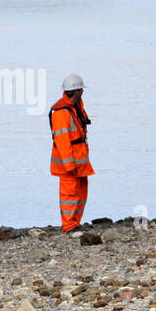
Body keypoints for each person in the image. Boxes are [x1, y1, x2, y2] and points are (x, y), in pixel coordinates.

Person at [49, 74, 94, 233]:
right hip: (69, 164)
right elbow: (62, 142)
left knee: (81, 193)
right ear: (75, 91)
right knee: (69, 195)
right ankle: (69, 226)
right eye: (81, 89)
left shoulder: (76, 107)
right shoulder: (61, 112)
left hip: (80, 162)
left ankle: (75, 223)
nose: (82, 92)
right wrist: (69, 165)